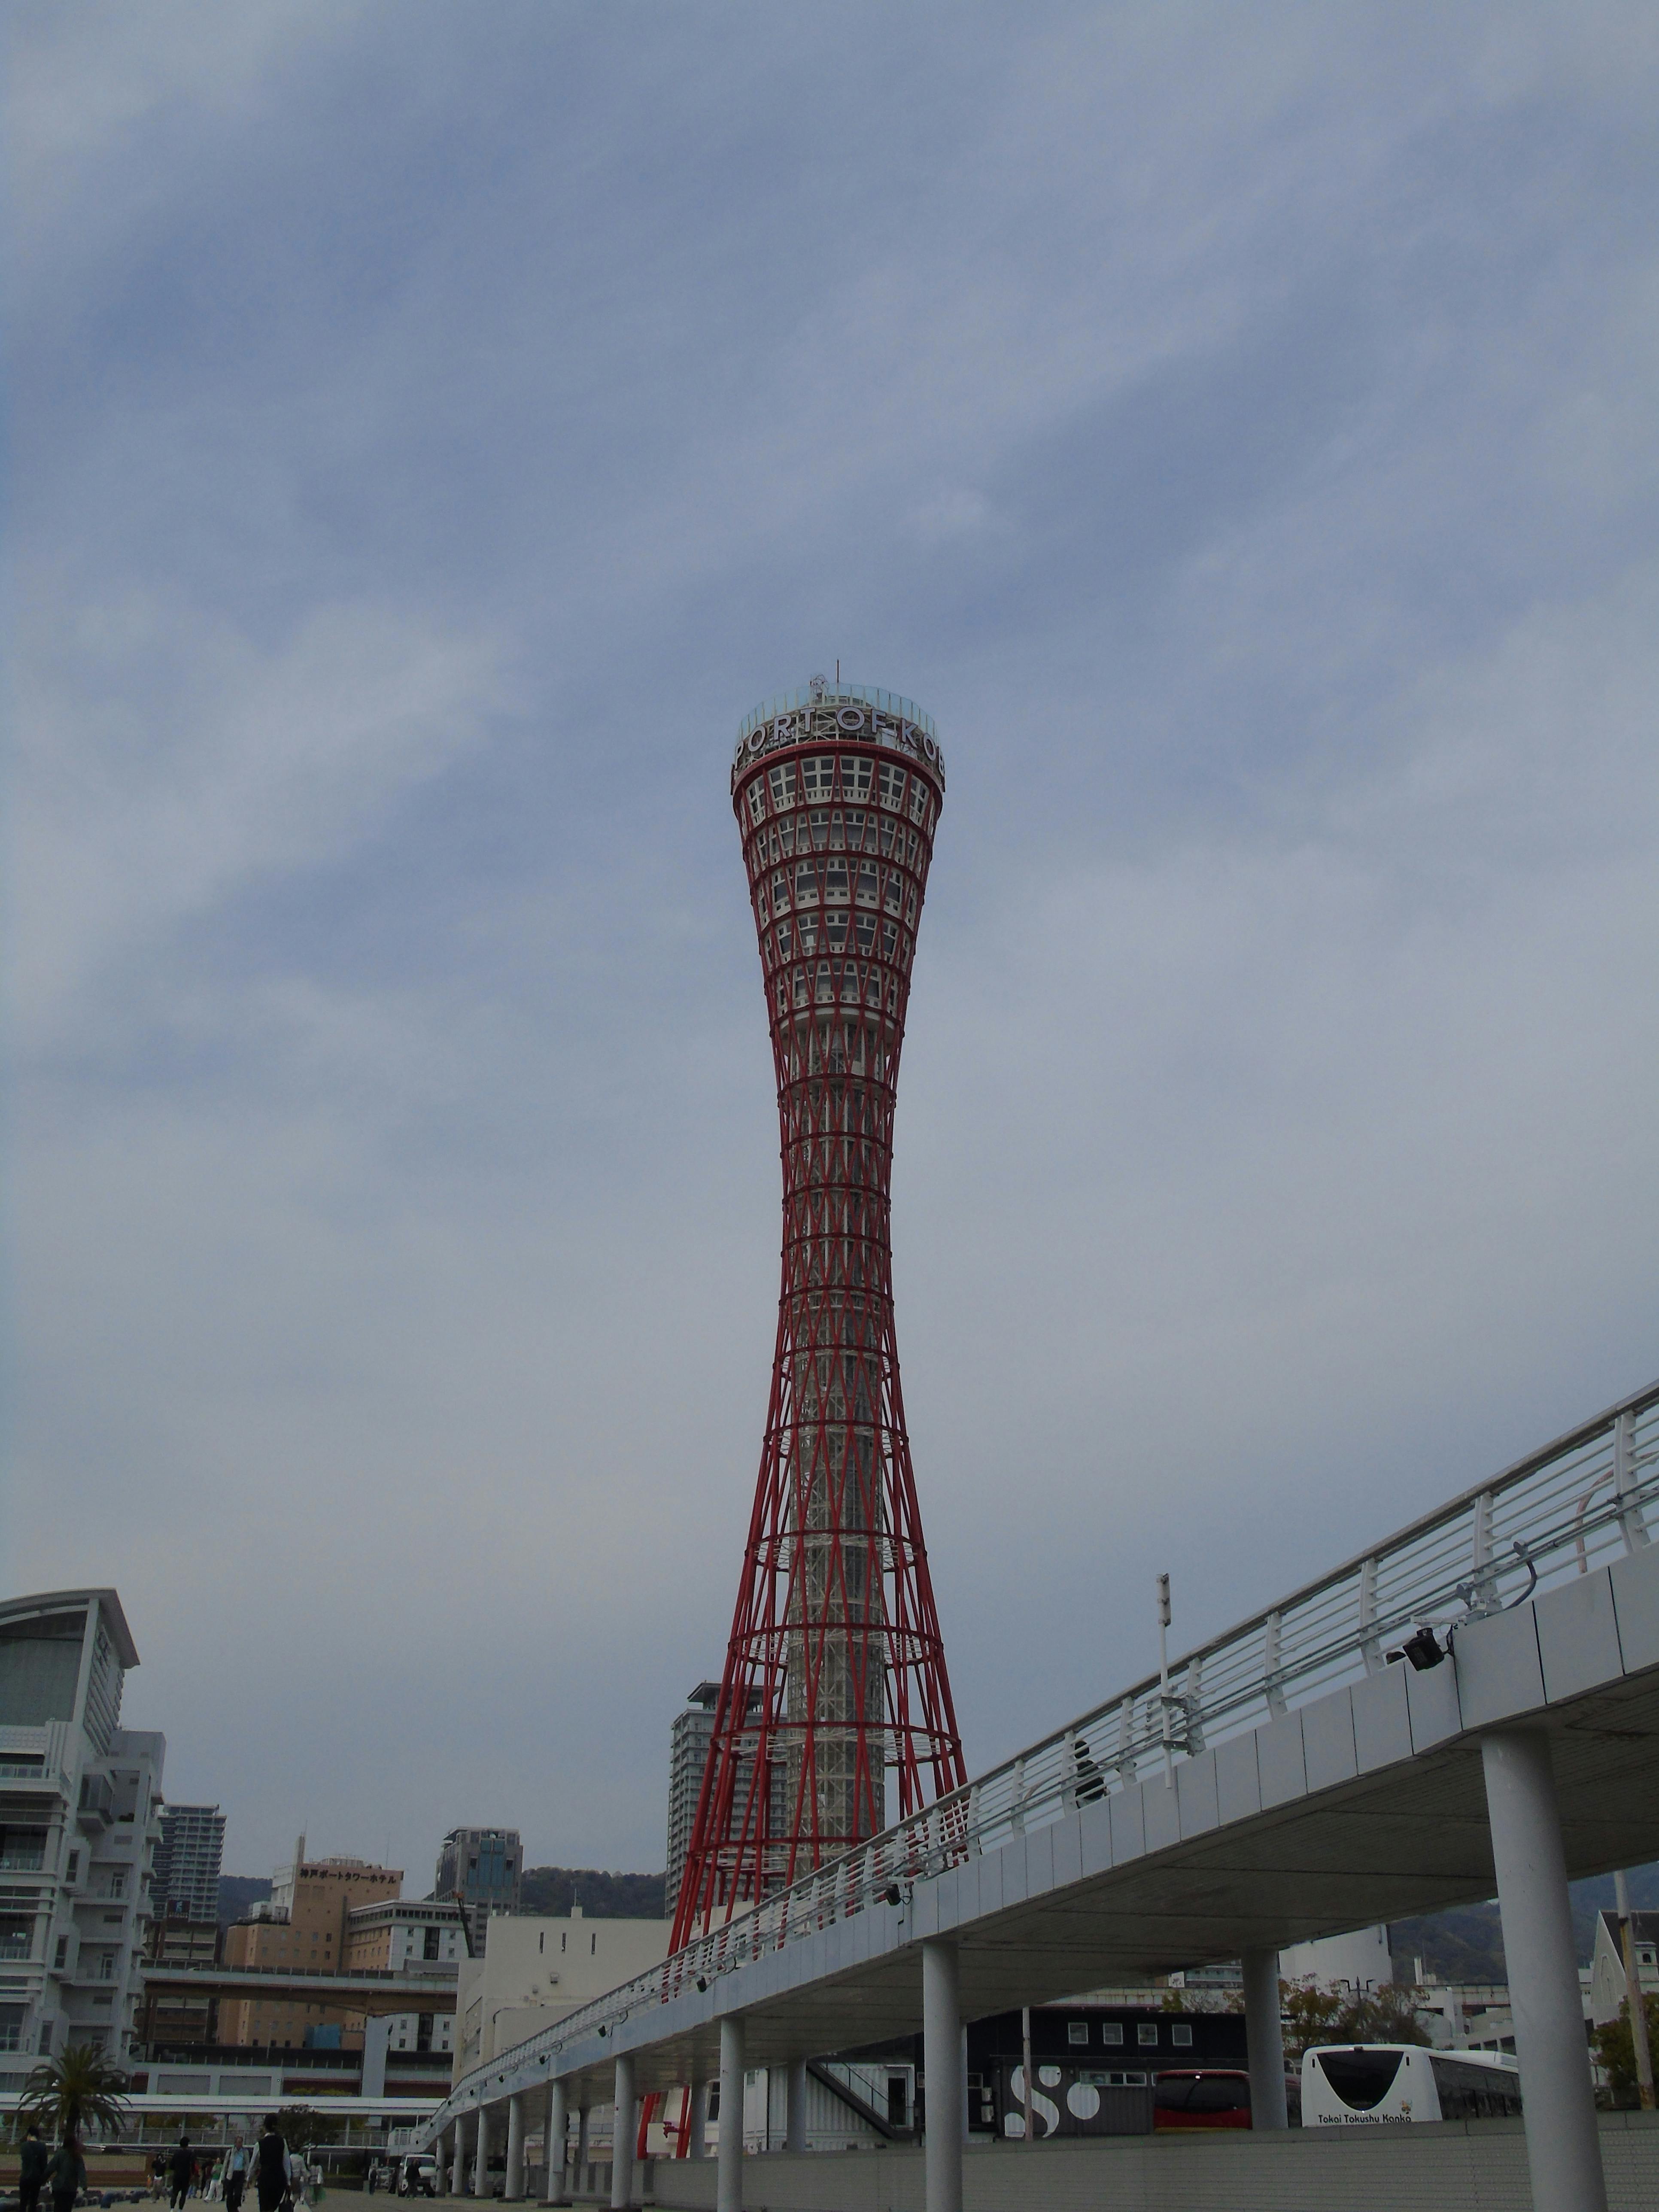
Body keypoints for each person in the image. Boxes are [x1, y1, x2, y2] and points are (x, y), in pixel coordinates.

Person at [255, 2116, 289, 2212]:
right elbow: (286, 2163)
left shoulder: (260, 2144)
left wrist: (249, 2177)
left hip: (265, 2179)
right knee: (273, 2207)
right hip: (279, 2179)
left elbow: (254, 2163)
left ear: (265, 2127)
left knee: (265, 2207)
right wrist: (289, 2181)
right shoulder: (283, 2142)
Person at [46, 2135, 85, 2212]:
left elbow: (50, 2169)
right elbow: (82, 2172)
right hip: (71, 2189)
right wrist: (83, 2186)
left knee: (58, 2208)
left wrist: (42, 2180)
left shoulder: (59, 2155)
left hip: (58, 2187)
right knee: (67, 2209)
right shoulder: (77, 2157)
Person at [18, 2121, 48, 2212]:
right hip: (36, 2178)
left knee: (23, 2201)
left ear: (29, 2134)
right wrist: (44, 2178)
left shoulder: (24, 2146)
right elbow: (44, 2164)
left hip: (25, 2177)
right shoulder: (42, 2147)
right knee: (33, 2202)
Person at [168, 2136, 198, 2211]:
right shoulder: (191, 2153)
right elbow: (193, 2165)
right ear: (187, 2144)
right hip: (186, 2176)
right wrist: (193, 2174)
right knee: (184, 2194)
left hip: (177, 2175)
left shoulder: (176, 2154)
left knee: (175, 2193)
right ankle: (180, 2210)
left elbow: (171, 2166)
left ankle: (172, 2209)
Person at [224, 2135, 250, 2212]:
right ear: (235, 2143)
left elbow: (247, 2163)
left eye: (241, 2142)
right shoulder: (230, 2152)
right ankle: (231, 2210)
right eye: (238, 2142)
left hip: (240, 2174)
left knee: (238, 2194)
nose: (240, 2144)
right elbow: (225, 2164)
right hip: (231, 2174)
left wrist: (247, 2175)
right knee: (230, 2195)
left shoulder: (245, 2152)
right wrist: (222, 2177)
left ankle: (235, 2208)